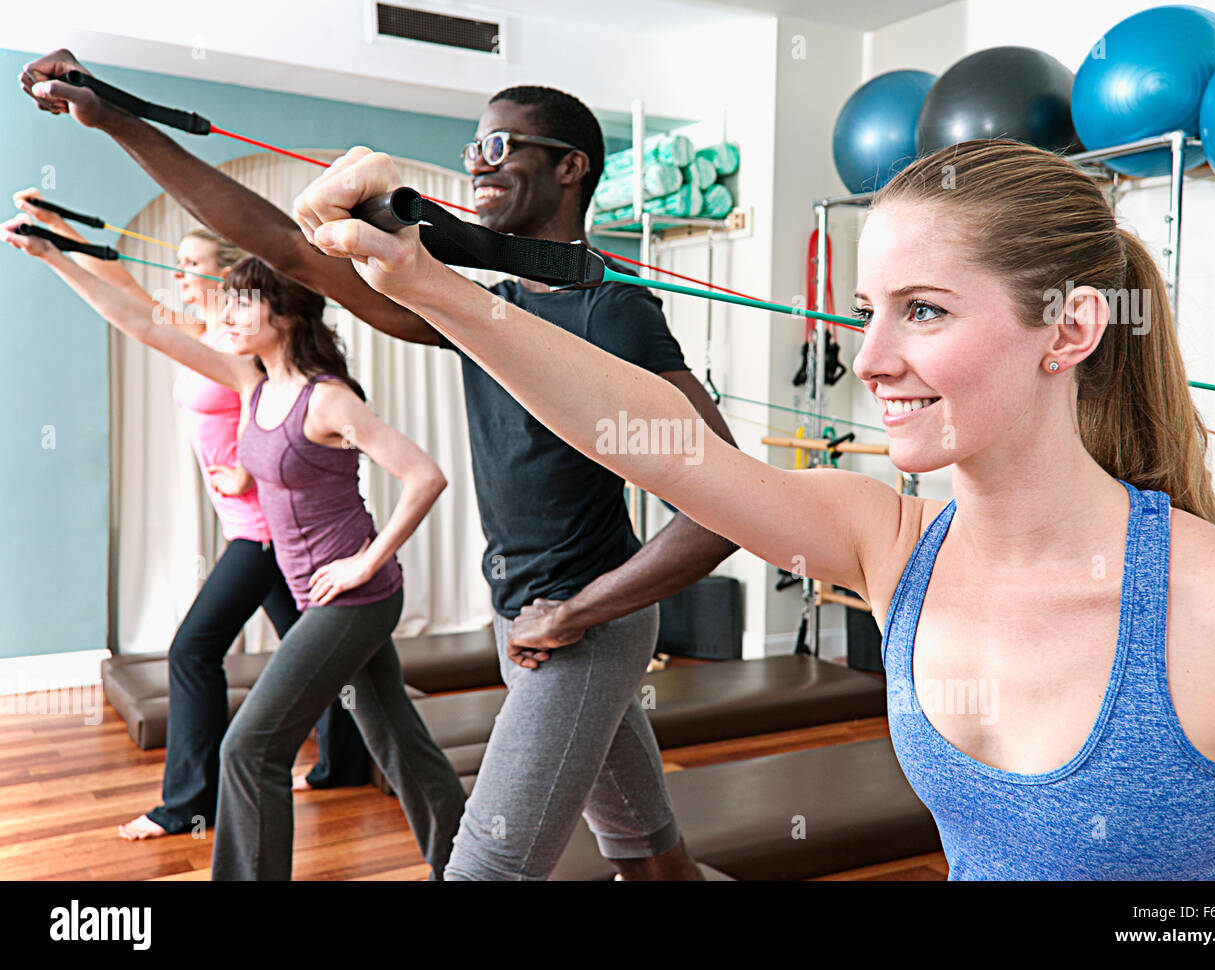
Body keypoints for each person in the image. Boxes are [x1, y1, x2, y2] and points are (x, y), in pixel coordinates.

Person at [291, 138, 1215, 880]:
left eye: (925, 310)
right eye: (868, 313)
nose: (869, 360)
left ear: (1071, 327)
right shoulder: (893, 546)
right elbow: (659, 441)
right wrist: (431, 281)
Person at [22, 50, 739, 880]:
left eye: (500, 147)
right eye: (473, 150)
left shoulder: (614, 311)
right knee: (649, 855)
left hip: (581, 630)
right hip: (525, 617)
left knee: (484, 868)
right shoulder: (484, 308)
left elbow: (726, 504)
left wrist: (576, 612)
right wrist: (117, 120)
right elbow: (287, 249)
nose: (478, 164)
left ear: (571, 167)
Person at [3, 219, 466, 880]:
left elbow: (425, 474)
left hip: (356, 598)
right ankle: (469, 866)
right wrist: (56, 256)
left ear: (283, 313)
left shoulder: (328, 399)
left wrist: (369, 559)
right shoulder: (251, 383)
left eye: (246, 299)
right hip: (315, 590)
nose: (230, 310)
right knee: (397, 738)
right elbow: (144, 325)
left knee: (250, 749)